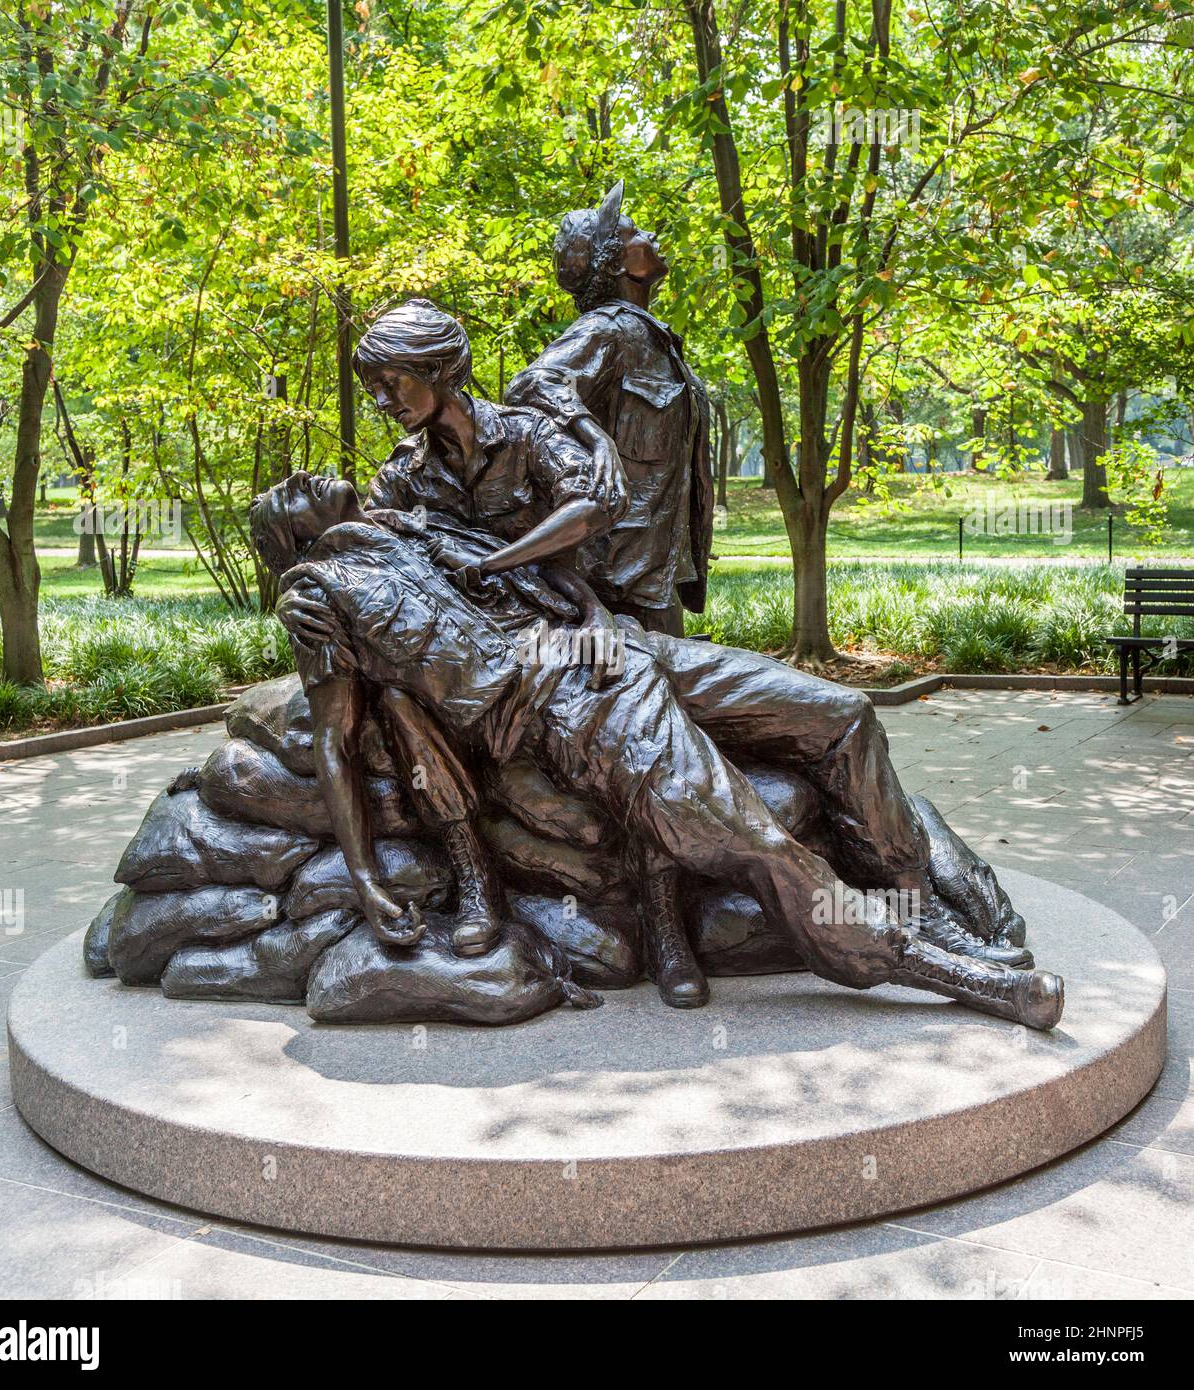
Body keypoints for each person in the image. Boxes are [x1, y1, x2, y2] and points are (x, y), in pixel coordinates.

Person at [251, 475, 1064, 1032]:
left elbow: (553, 564)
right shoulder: (316, 598)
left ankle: (914, 897)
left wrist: (590, 616)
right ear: (293, 537)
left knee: (843, 713)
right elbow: (334, 744)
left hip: (618, 650)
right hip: (567, 701)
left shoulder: (409, 524)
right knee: (753, 839)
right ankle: (951, 973)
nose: (313, 476)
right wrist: (362, 875)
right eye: (292, 492)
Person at [505, 180, 714, 638]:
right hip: (617, 575)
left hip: (657, 567)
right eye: (634, 231)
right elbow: (530, 384)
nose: (649, 237)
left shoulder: (654, 341)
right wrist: (594, 436)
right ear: (617, 261)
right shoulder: (608, 330)